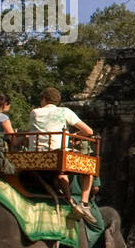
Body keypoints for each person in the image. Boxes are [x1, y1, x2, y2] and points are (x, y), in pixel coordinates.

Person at [29, 87, 95, 221]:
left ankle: (69, 199)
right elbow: (89, 132)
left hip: (36, 155)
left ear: (43, 99)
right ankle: (84, 203)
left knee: (61, 173)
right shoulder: (64, 111)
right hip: (57, 155)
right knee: (90, 168)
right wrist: (73, 136)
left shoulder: (34, 112)